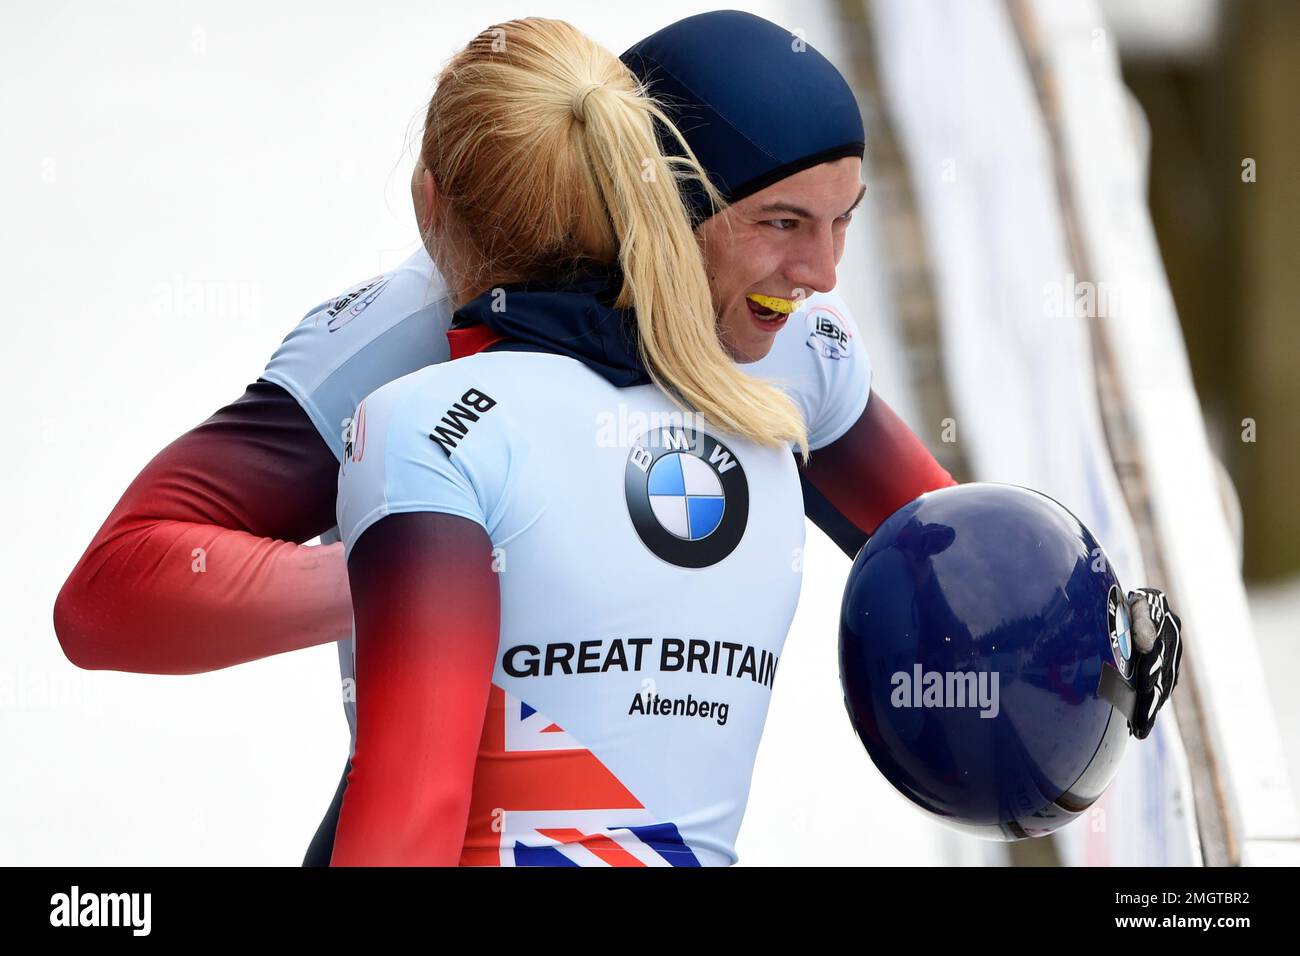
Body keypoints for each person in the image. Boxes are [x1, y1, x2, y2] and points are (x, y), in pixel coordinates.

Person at [52, 11, 1179, 865]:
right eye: (782, 225)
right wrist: (414, 574)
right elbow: (110, 593)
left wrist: (1105, 641)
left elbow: (962, 586)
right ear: (665, 206)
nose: (823, 276)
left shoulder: (796, 336)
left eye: (846, 223)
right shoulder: (406, 338)